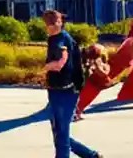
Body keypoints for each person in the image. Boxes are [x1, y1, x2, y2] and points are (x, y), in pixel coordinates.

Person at [43, 10, 103, 158]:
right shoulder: (54, 38)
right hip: (56, 91)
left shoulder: (62, 39)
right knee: (59, 133)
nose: (51, 25)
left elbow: (62, 60)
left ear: (60, 22)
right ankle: (91, 155)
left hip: (66, 91)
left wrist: (49, 66)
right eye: (48, 22)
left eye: (54, 22)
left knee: (61, 134)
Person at [75, 45, 115, 122]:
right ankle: (76, 113)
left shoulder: (92, 60)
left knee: (84, 99)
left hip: (94, 82)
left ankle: (77, 113)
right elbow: (101, 73)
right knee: (86, 98)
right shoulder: (97, 60)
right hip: (95, 83)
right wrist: (106, 69)